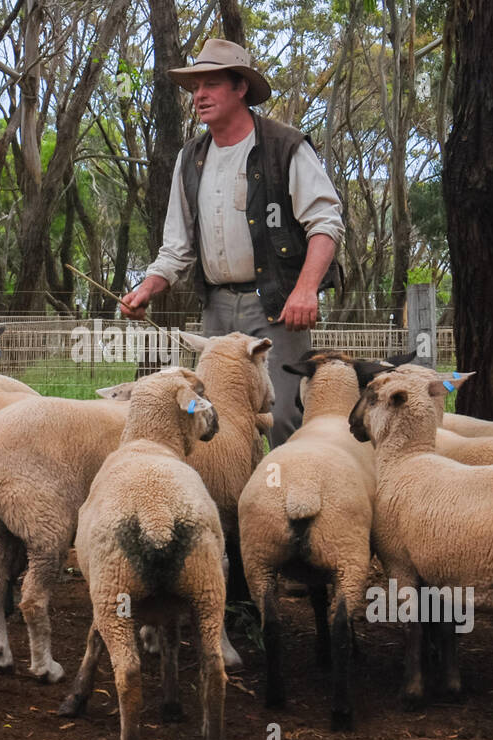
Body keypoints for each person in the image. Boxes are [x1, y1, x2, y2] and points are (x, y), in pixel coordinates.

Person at [119, 38, 344, 447]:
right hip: (217, 308)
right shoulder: (191, 158)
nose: (200, 96)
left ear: (241, 88)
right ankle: (229, 507)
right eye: (195, 88)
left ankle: (281, 502)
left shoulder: (284, 147)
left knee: (281, 414)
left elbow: (325, 222)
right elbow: (176, 247)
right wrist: (146, 289)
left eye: (211, 85)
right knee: (215, 417)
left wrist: (306, 289)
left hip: (277, 305)